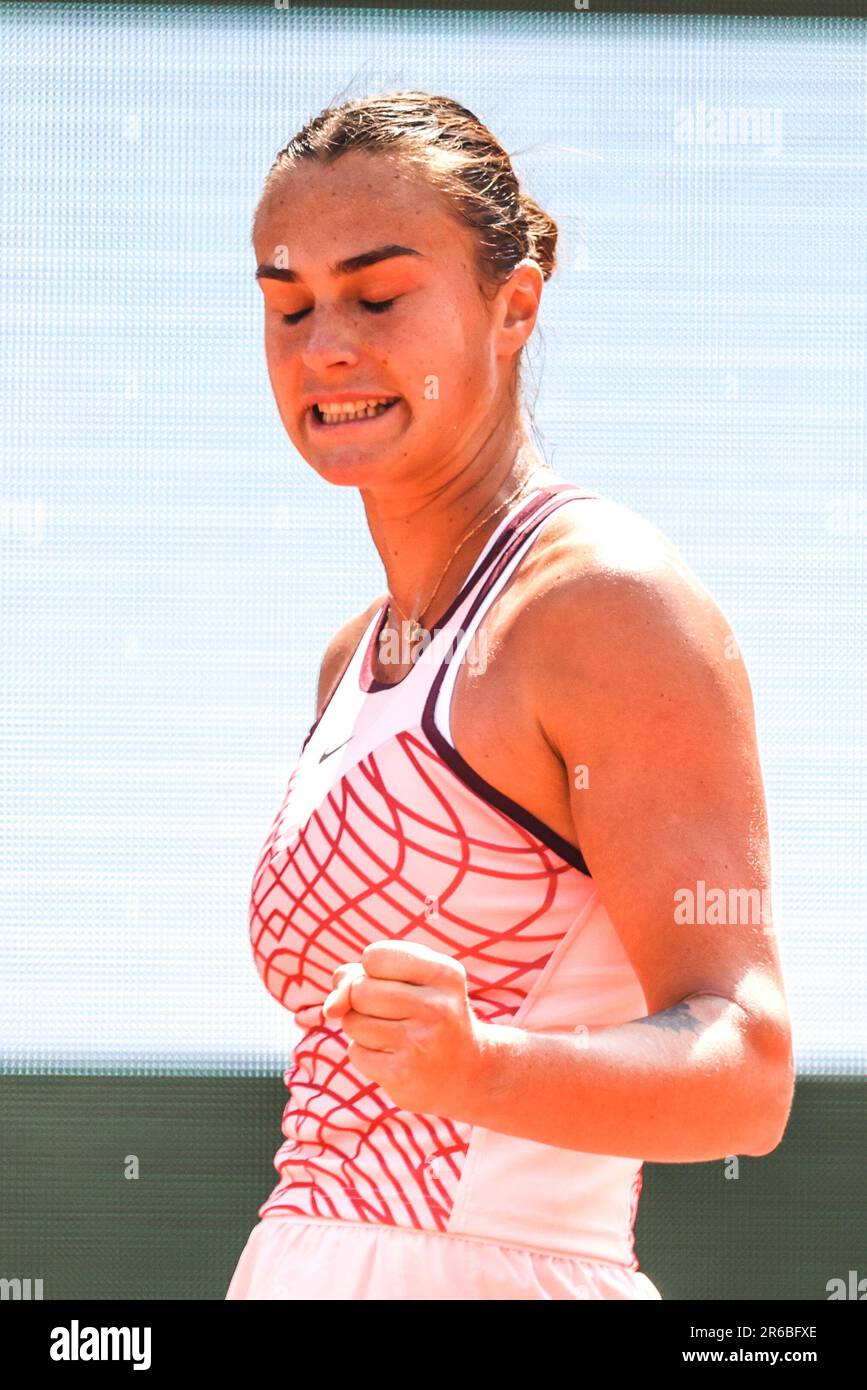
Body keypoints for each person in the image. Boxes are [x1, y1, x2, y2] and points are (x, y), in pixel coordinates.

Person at [225, 90, 794, 1301]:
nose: (327, 343)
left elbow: (749, 1070)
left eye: (378, 297)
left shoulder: (606, 603)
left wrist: (485, 1067)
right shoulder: (352, 658)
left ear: (514, 303)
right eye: (288, 304)